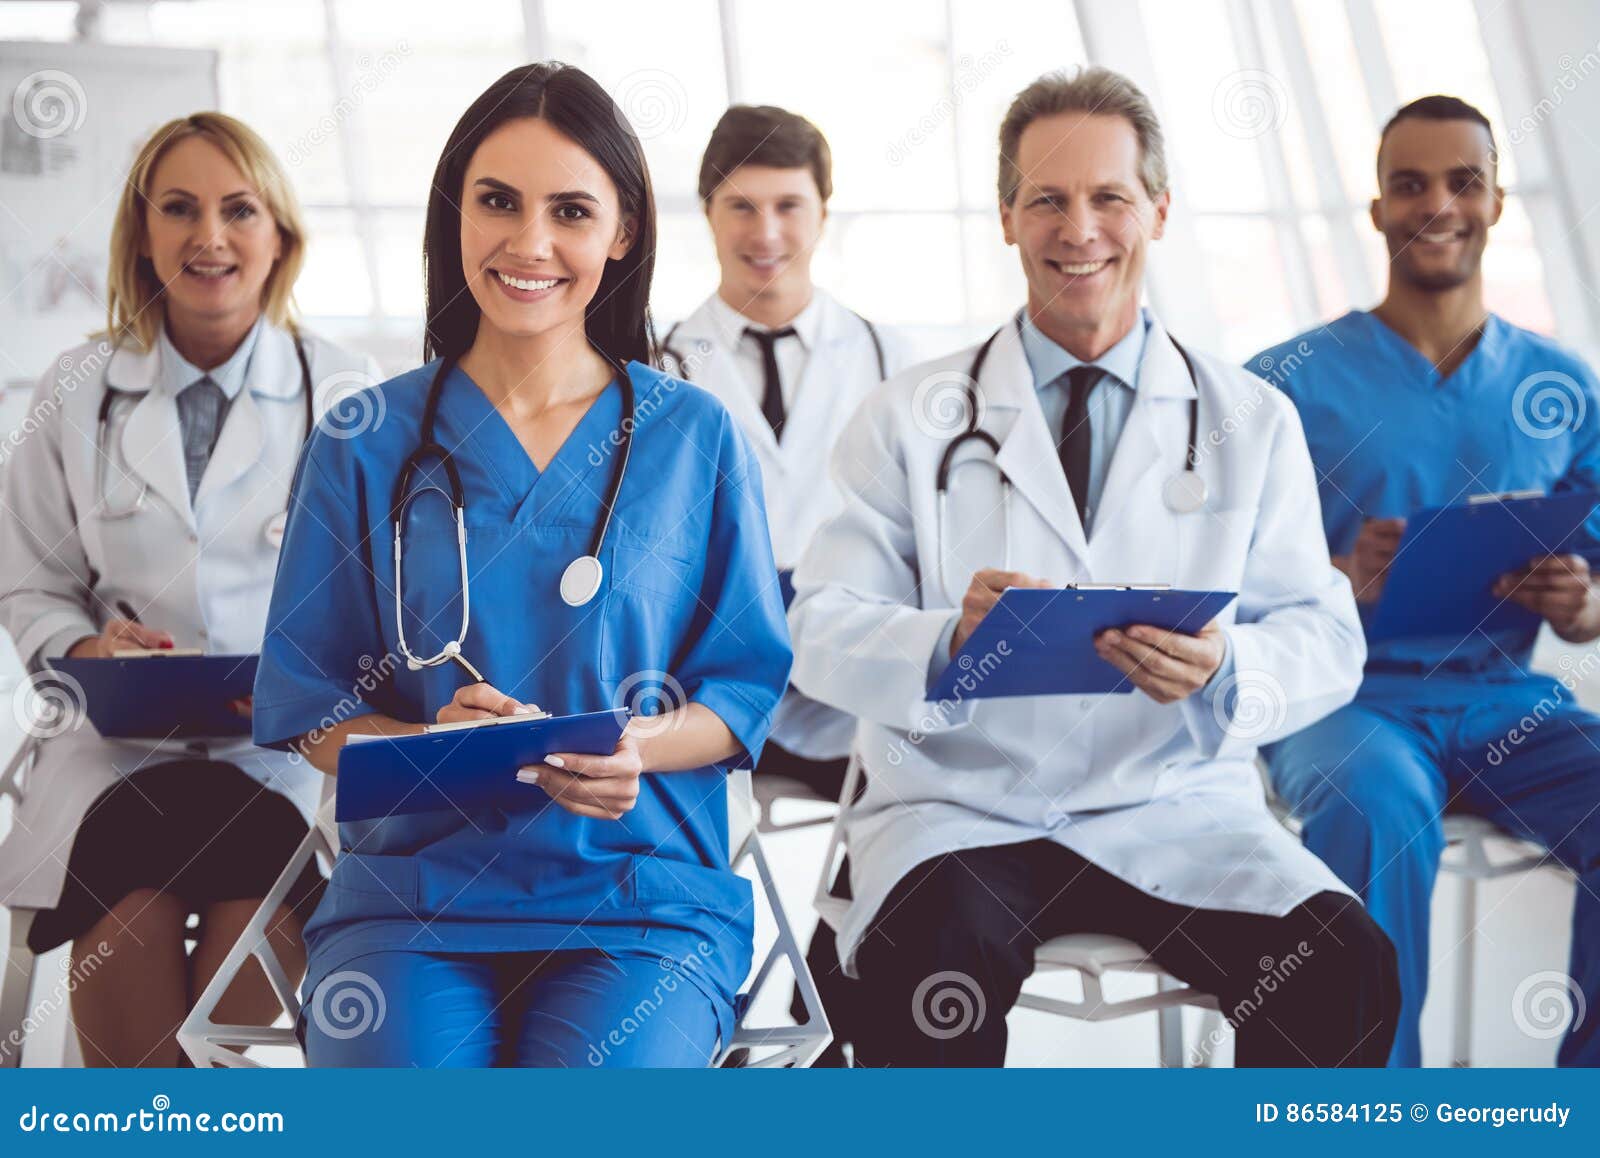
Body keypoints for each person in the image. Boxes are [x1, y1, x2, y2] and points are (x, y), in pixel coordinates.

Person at [787, 66, 1400, 1067]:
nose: (1078, 230)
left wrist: (1226, 668)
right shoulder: (908, 416)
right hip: (960, 809)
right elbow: (818, 626)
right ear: (1005, 217)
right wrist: (944, 642)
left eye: (1108, 197)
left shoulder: (1249, 420)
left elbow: (1324, 633)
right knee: (925, 974)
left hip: (1172, 808)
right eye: (1047, 200)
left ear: (1155, 210)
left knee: (1341, 965)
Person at [252, 62, 791, 1068]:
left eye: (571, 211)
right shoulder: (363, 441)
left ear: (621, 232)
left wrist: (635, 746)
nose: (529, 243)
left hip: (641, 897)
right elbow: (308, 705)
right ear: (454, 213)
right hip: (410, 901)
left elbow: (744, 686)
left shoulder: (692, 437)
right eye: (497, 202)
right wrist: (421, 749)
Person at [0, 112, 378, 1066]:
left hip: (280, 756)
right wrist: (86, 651)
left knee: (241, 963)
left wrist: (307, 674)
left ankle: (178, 1109)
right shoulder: (77, 386)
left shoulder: (344, 391)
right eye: (180, 209)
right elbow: (30, 582)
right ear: (144, 231)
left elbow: (382, 604)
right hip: (118, 756)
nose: (209, 236)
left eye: (238, 209)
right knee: (130, 904)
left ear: (280, 235)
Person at [1256, 95, 1600, 1067]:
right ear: (1376, 211)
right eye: (1409, 185)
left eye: (1462, 182)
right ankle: (1379, 1116)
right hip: (1345, 701)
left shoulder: (1559, 387)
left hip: (1506, 703)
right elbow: (1215, 577)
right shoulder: (1287, 379)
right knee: (1371, 809)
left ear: (1497, 202)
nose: (1435, 205)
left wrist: (1584, 603)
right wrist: (1330, 575)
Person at [662, 104, 909, 1064]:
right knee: (684, 809)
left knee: (909, 775)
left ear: (823, 210)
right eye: (741, 206)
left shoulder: (891, 361)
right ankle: (698, 1019)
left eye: (788, 206)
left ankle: (834, 1011)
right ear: (708, 212)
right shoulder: (659, 361)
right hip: (711, 673)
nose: (766, 235)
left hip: (844, 671)